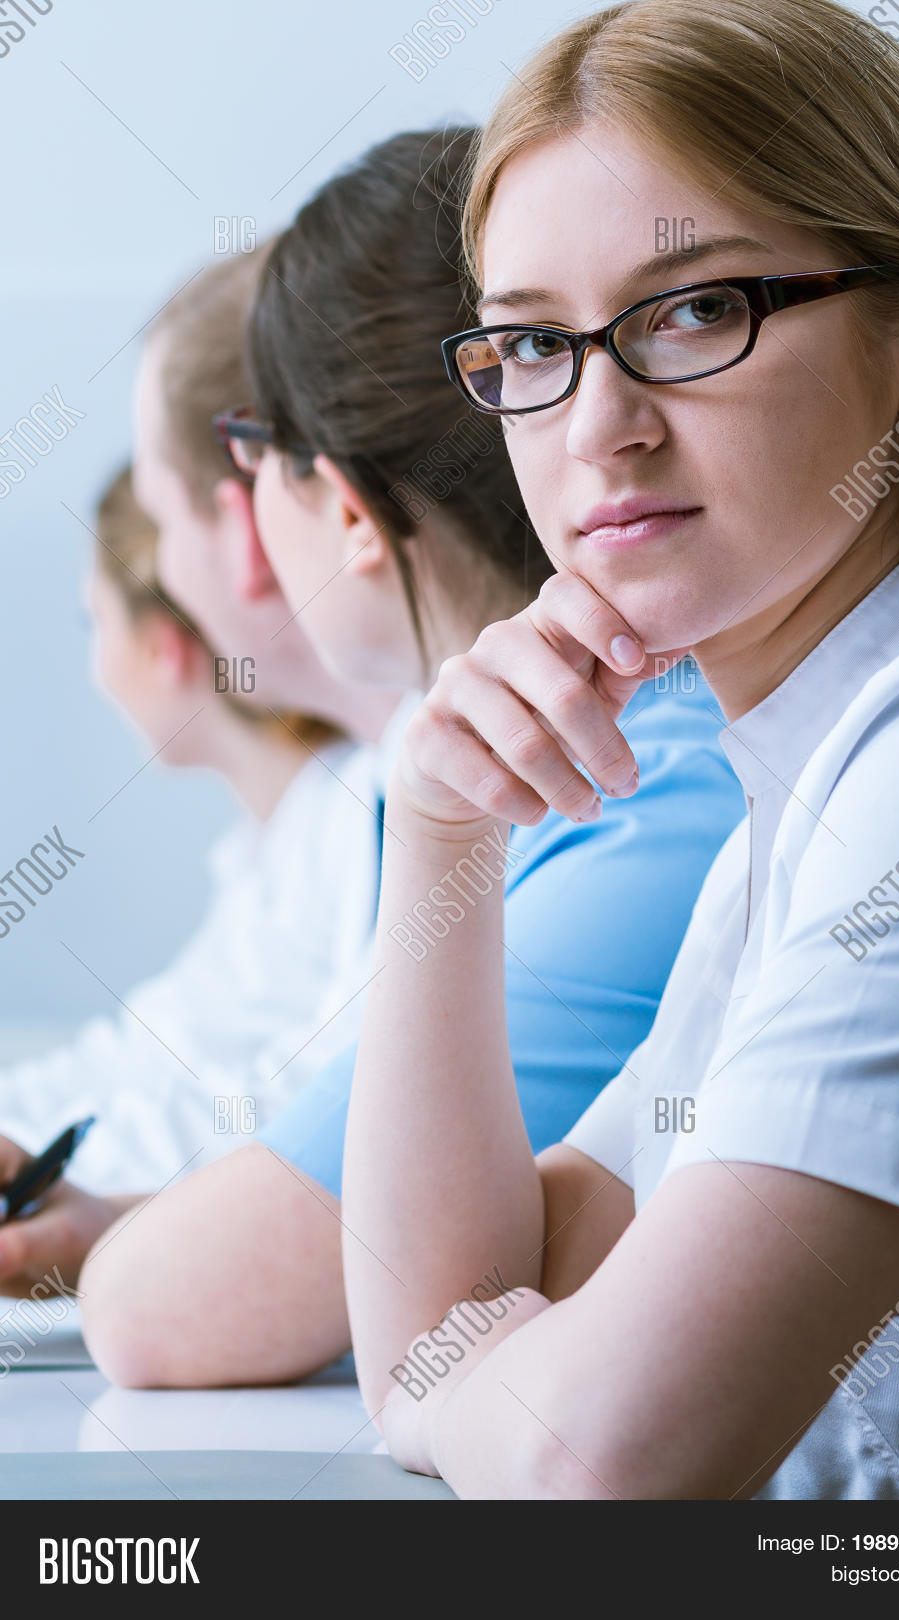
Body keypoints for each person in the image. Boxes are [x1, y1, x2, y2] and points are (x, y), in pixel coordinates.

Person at [338, 0, 899, 1499]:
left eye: (695, 310)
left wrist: (485, 1393)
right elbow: (430, 1330)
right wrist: (441, 828)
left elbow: (608, 1466)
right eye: (531, 344)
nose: (599, 427)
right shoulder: (800, 780)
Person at [77, 127, 745, 1388]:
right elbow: (452, 1215)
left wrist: (161, 1238)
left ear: (338, 507)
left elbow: (172, 1313)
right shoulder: (537, 776)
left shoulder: (652, 788)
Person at [0, 254, 401, 1297]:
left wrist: (92, 1204)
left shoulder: (363, 805)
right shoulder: (329, 818)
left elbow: (299, 1115)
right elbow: (172, 1055)